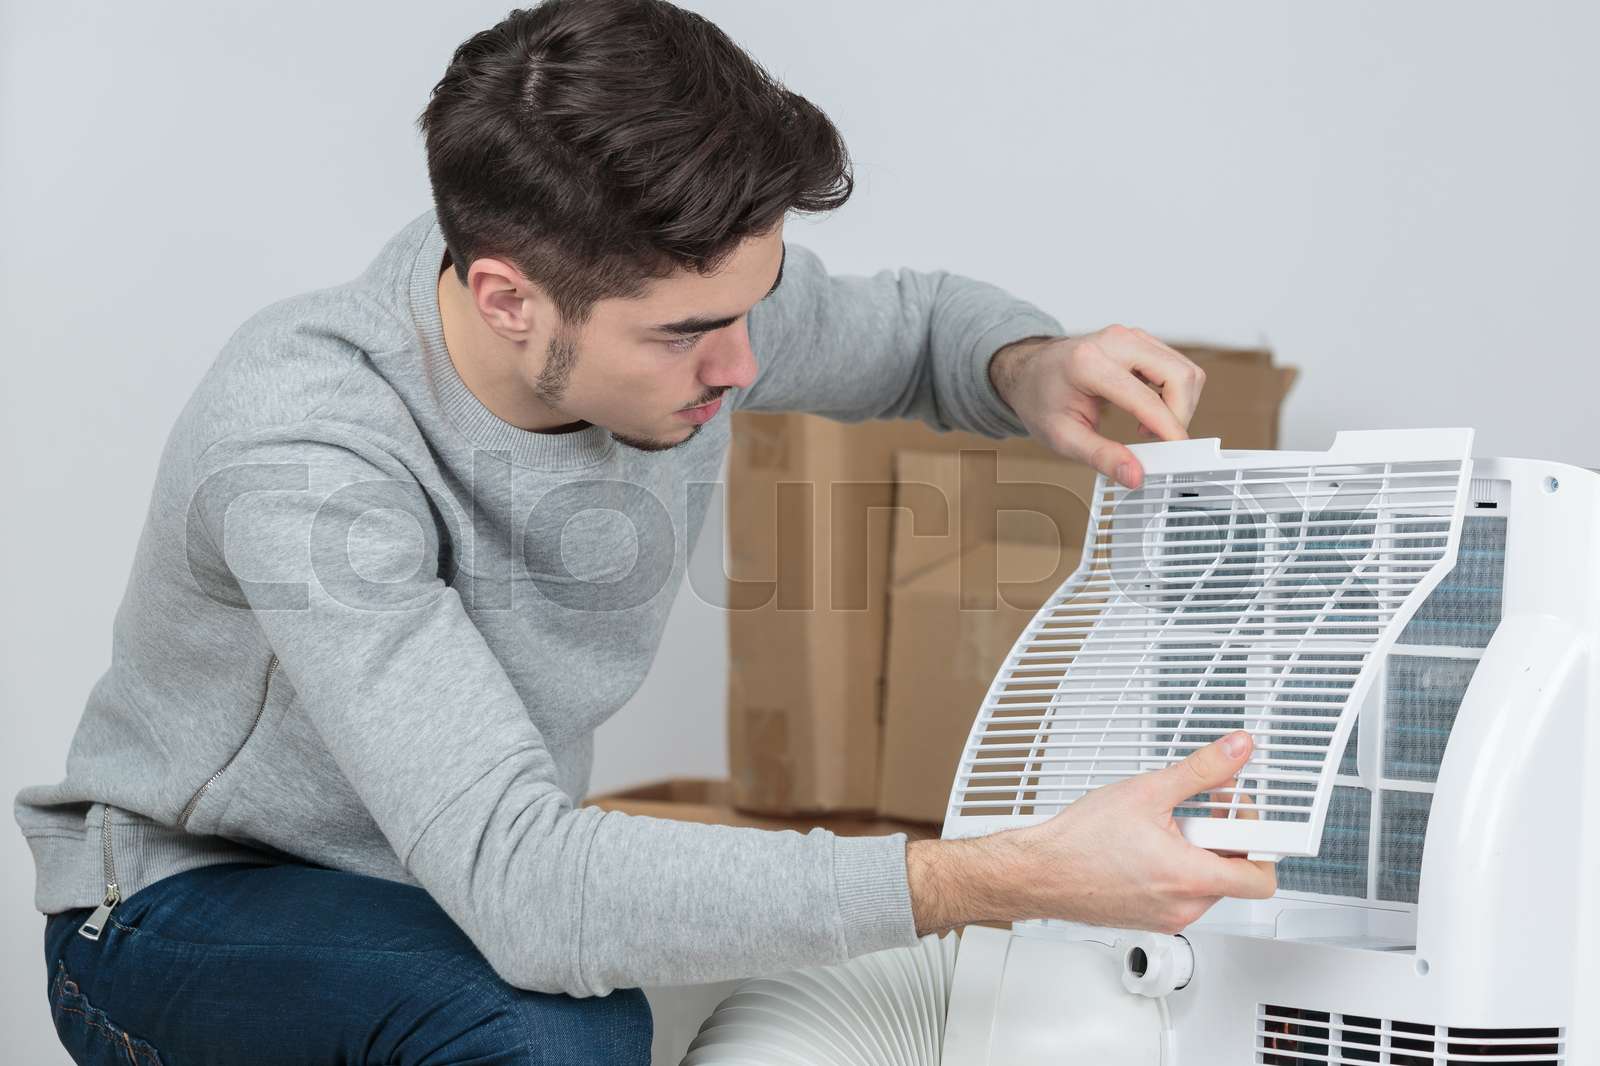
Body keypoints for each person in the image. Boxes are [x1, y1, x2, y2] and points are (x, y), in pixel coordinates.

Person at [15, 1, 1275, 1062]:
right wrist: (1003, 873)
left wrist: (1027, 364)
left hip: (443, 881)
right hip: (180, 904)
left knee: (575, 1006)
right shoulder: (303, 450)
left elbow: (917, 325)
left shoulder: (658, 292)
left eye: (756, 302)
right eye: (682, 334)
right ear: (506, 297)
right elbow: (530, 889)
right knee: (549, 1026)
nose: (741, 364)